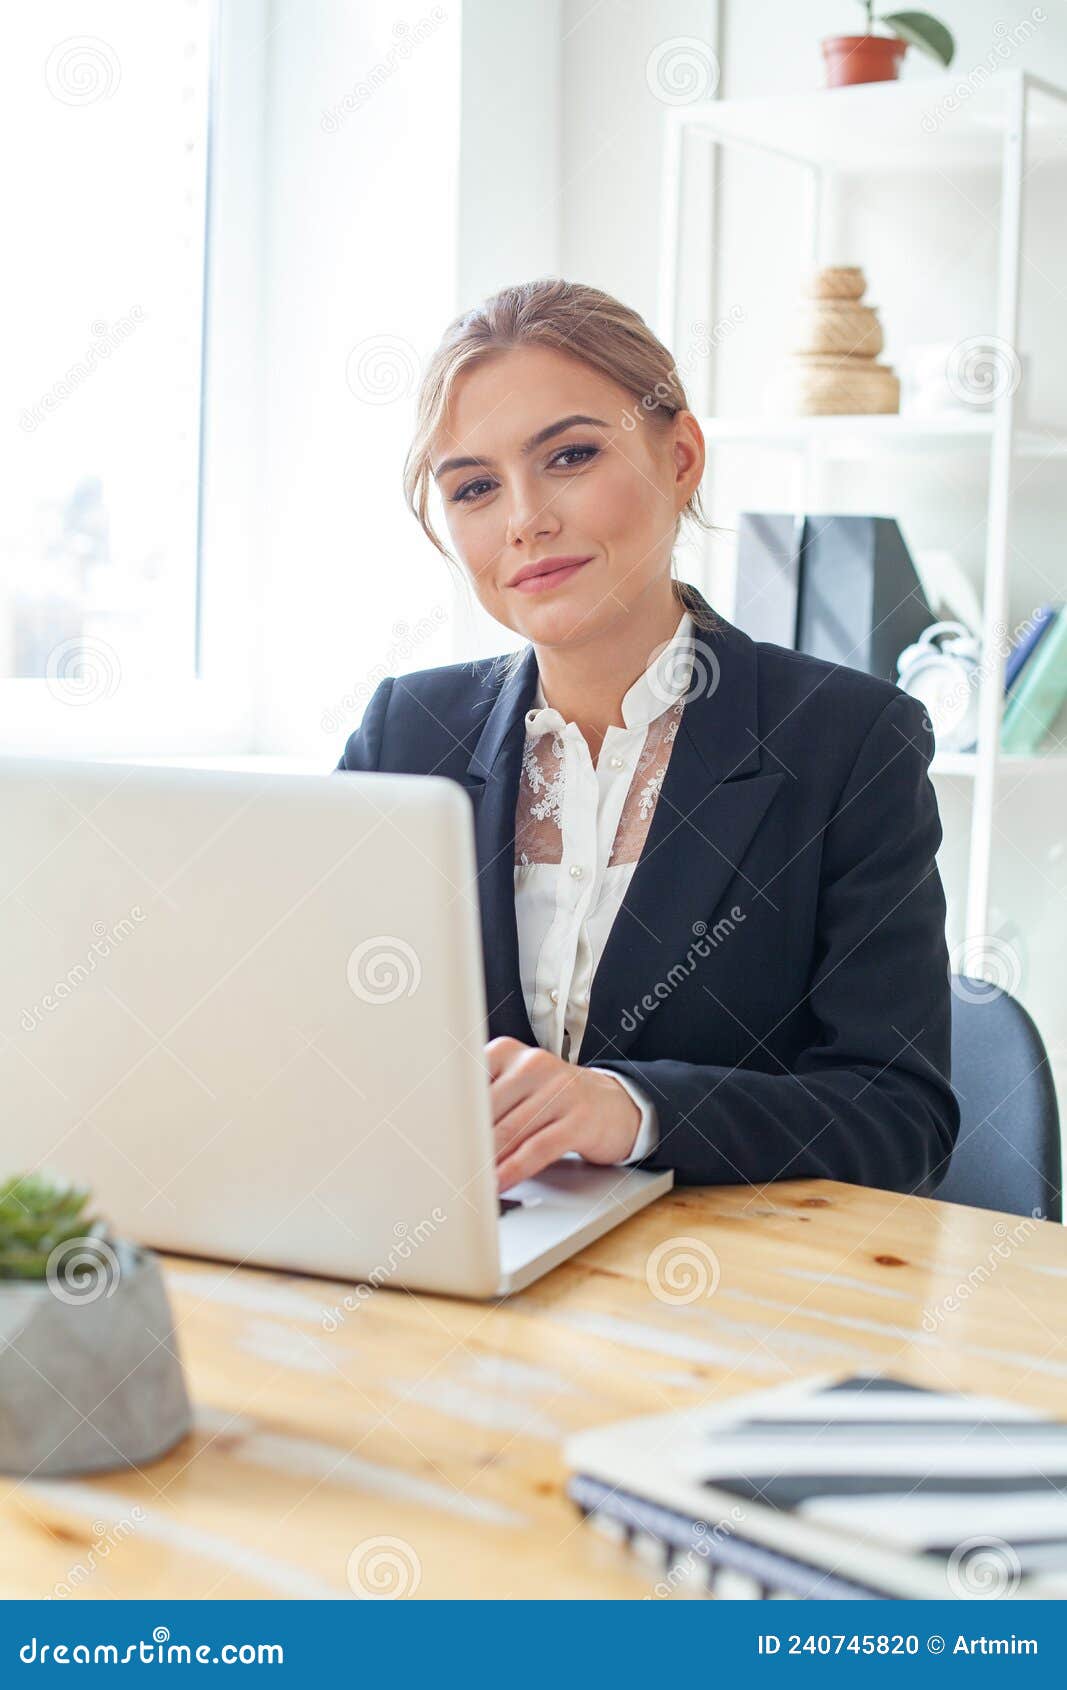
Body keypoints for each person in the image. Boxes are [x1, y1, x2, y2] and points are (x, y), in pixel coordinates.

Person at [336, 277, 959, 1197]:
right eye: (474, 487)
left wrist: (632, 1112)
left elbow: (901, 1118)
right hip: (456, 1247)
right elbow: (312, 1036)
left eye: (570, 455)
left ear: (680, 457)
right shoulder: (405, 734)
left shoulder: (848, 741)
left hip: (726, 1271)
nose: (524, 520)